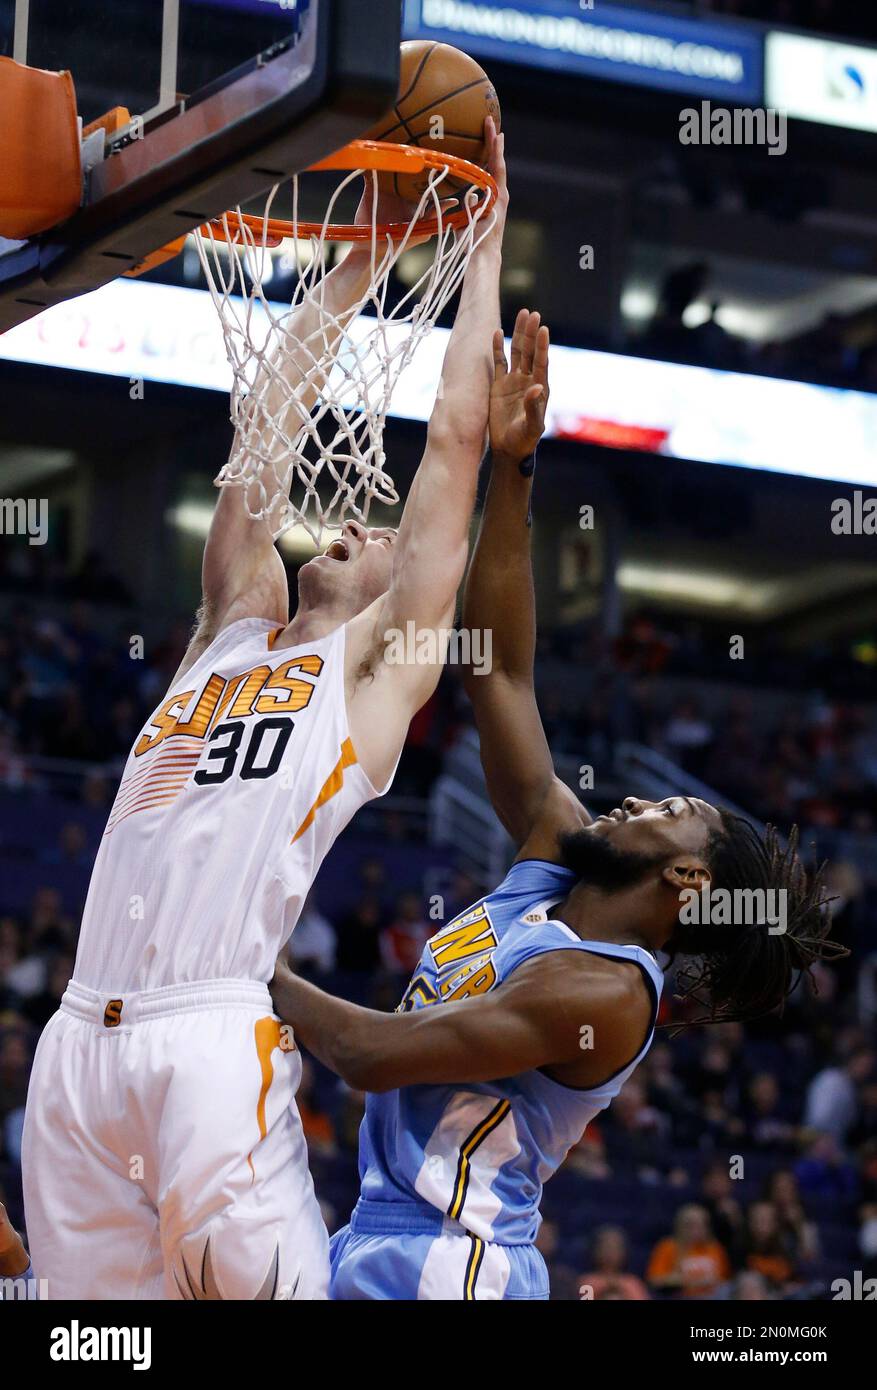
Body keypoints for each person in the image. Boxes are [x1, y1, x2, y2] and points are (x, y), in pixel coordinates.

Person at [21, 121, 510, 1302]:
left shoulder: (372, 670)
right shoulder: (229, 627)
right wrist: (352, 273)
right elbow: (263, 438)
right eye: (357, 518)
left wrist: (483, 238)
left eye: (387, 533)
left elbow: (452, 441)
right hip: (76, 1044)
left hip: (207, 1036)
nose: (360, 521)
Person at [270, 309, 845, 1299]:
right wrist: (515, 467)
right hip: (392, 1240)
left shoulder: (606, 996)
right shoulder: (556, 856)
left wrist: (236, 955)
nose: (630, 798)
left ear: (684, 877)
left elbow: (367, 1051)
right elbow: (497, 674)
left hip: (453, 1265)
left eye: (665, 808)